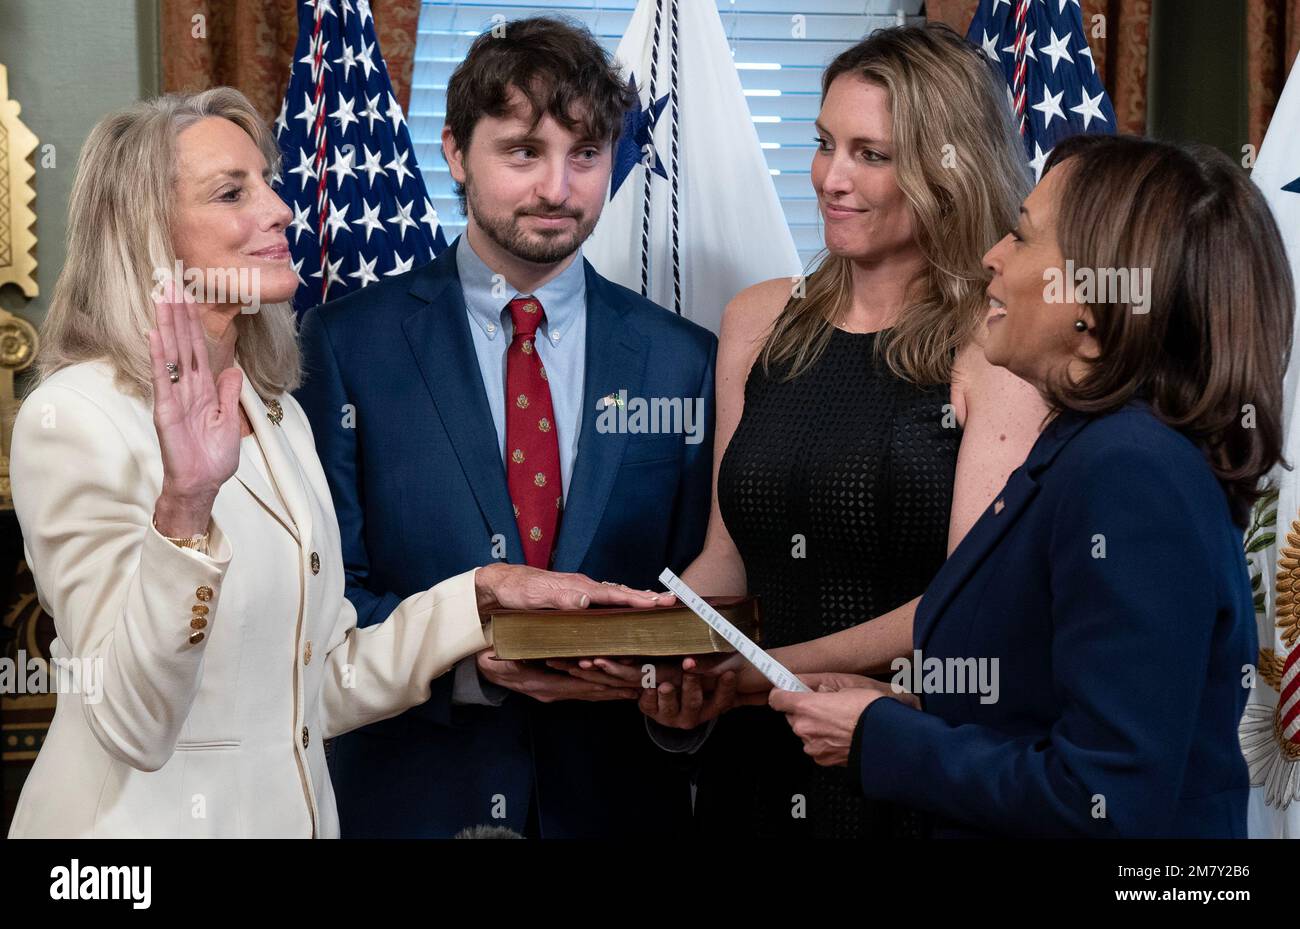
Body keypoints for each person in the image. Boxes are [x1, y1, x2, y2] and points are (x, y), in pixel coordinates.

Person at [6, 87, 660, 839]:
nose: (280, 209)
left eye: (267, 182)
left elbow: (323, 677)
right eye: (232, 192)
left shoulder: (271, 407)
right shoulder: (76, 417)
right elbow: (131, 722)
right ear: (146, 235)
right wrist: (185, 510)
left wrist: (482, 594)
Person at [559, 23, 1046, 839]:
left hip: (902, 761)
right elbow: (727, 560)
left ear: (947, 171)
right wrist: (657, 656)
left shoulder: (993, 346)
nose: (832, 177)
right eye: (824, 143)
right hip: (749, 765)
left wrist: (761, 674)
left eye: (870, 153)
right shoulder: (757, 320)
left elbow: (969, 604)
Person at [772, 133, 1289, 837]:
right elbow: (1044, 708)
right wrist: (897, 711)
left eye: (1021, 235)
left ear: (1097, 310)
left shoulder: (1132, 471)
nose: (992, 255)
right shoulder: (1087, 447)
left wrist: (881, 740)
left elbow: (1106, 803)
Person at [295, 16, 715, 838]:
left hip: (617, 805)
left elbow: (693, 602)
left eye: (586, 155)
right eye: (524, 152)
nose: (559, 188)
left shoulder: (684, 360)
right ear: (455, 152)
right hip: (410, 799)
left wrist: (676, 706)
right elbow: (321, 596)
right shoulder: (346, 344)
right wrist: (464, 666)